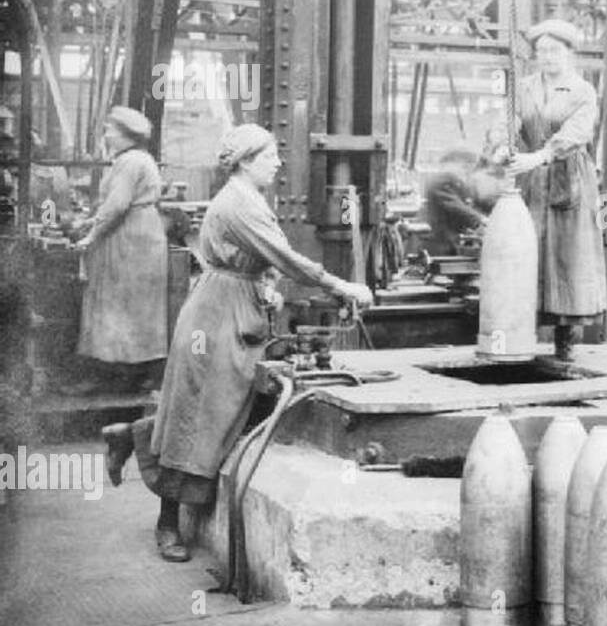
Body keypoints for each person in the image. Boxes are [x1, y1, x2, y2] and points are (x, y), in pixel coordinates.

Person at [119, 124, 373, 562]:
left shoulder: (251, 199)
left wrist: (265, 285)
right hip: (215, 317)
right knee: (198, 415)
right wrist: (343, 287)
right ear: (246, 161)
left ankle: (131, 437)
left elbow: (263, 260)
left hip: (235, 305)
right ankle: (167, 523)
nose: (277, 162)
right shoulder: (237, 204)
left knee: (223, 408)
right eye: (270, 155)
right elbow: (288, 258)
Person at [498, 18, 607, 361]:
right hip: (531, 183)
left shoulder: (582, 91)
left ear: (570, 54)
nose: (547, 57)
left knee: (568, 259)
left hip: (568, 182)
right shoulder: (525, 86)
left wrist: (540, 156)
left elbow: (577, 134)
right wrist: (502, 145)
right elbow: (507, 122)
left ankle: (566, 343)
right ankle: (520, 338)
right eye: (542, 51)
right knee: (525, 254)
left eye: (554, 50)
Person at [71, 106, 169, 392]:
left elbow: (117, 205)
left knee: (117, 304)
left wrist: (91, 235)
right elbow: (118, 203)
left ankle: (110, 376)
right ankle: (138, 373)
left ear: (126, 134)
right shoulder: (140, 159)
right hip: (142, 232)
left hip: (128, 238)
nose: (107, 135)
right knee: (139, 307)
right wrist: (93, 220)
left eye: (110, 129)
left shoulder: (128, 162)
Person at [423, 147, 501, 255]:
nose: (466, 171)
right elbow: (456, 207)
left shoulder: (456, 183)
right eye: (464, 166)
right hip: (442, 246)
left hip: (450, 244)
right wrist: (481, 220)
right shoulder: (442, 181)